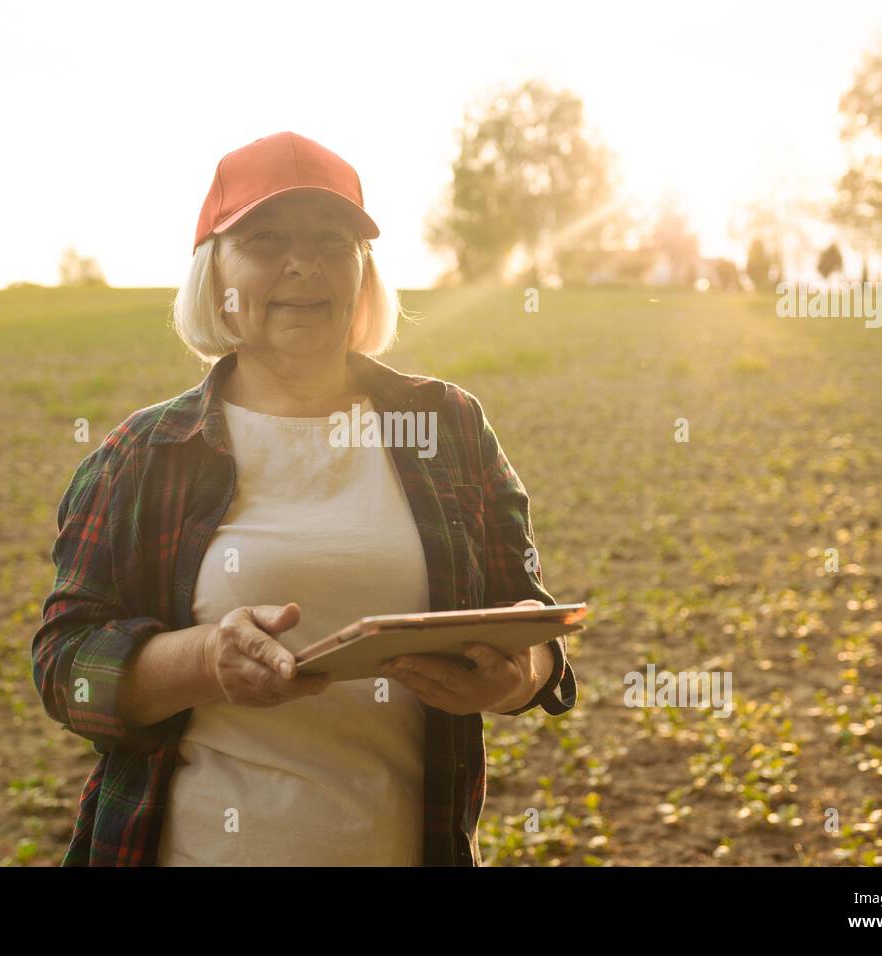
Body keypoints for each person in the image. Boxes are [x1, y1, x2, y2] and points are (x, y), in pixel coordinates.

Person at [32, 131, 578, 867]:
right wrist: (201, 660)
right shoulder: (144, 454)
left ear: (364, 269)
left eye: (333, 238)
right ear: (212, 271)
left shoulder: (447, 427)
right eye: (264, 239)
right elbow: (67, 673)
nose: (304, 263)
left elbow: (530, 625)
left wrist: (521, 674)